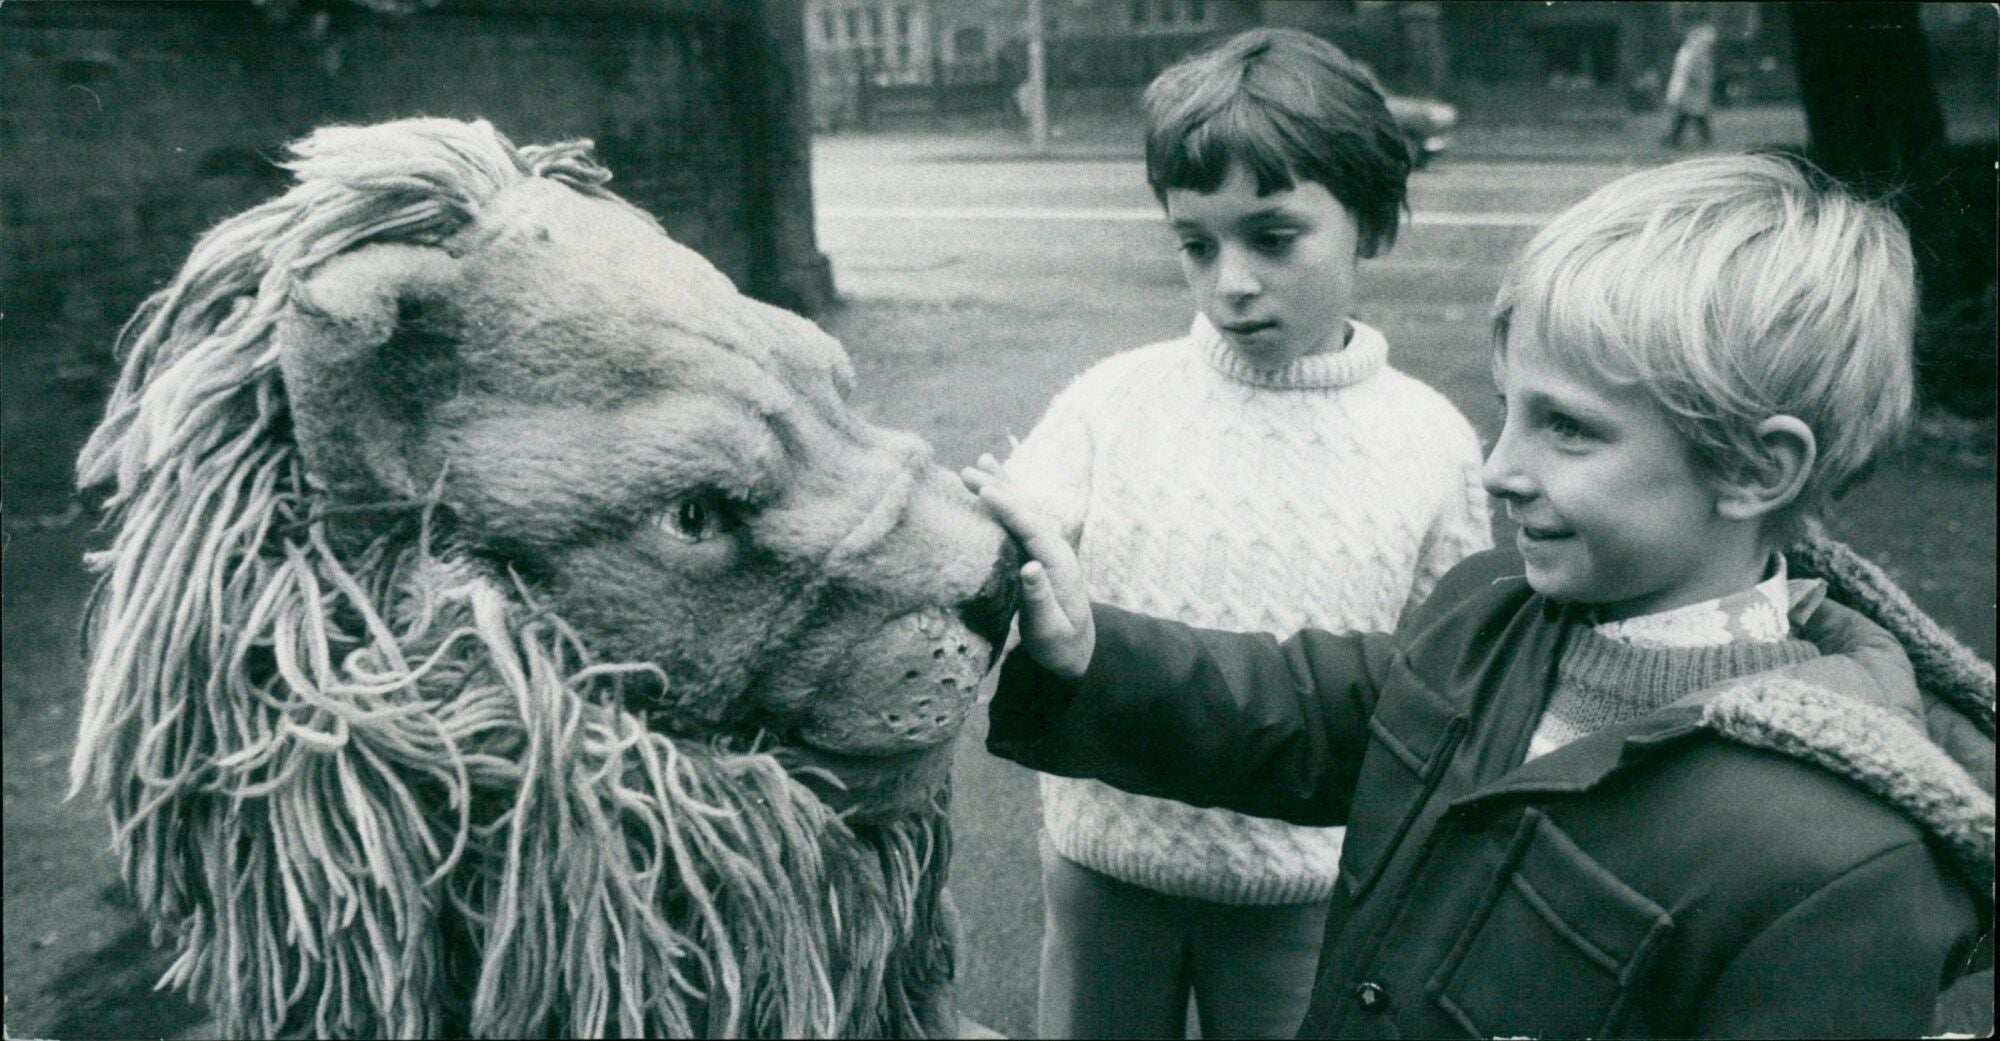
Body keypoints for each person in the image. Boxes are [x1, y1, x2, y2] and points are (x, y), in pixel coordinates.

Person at [968, 153, 1995, 1038]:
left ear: (1754, 471)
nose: (1499, 467)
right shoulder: (1490, 609)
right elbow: (1303, 711)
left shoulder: (1841, 865)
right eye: (1506, 412)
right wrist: (1087, 650)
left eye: (1566, 428)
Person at [1000, 27, 1491, 1040]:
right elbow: (1006, 553)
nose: (1229, 280)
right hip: (1104, 863)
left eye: (1272, 237)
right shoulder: (1112, 403)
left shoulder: (1429, 443)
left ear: (1369, 224)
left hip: (1304, 895)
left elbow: (1446, 681)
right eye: (1195, 242)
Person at [1662, 23, 1717, 148]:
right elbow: (1690, 72)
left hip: (1693, 92)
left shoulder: (1696, 53)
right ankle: (1673, 139)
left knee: (1687, 116)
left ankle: (1672, 139)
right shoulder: (1689, 53)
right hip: (1688, 90)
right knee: (1691, 115)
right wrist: (1700, 80)